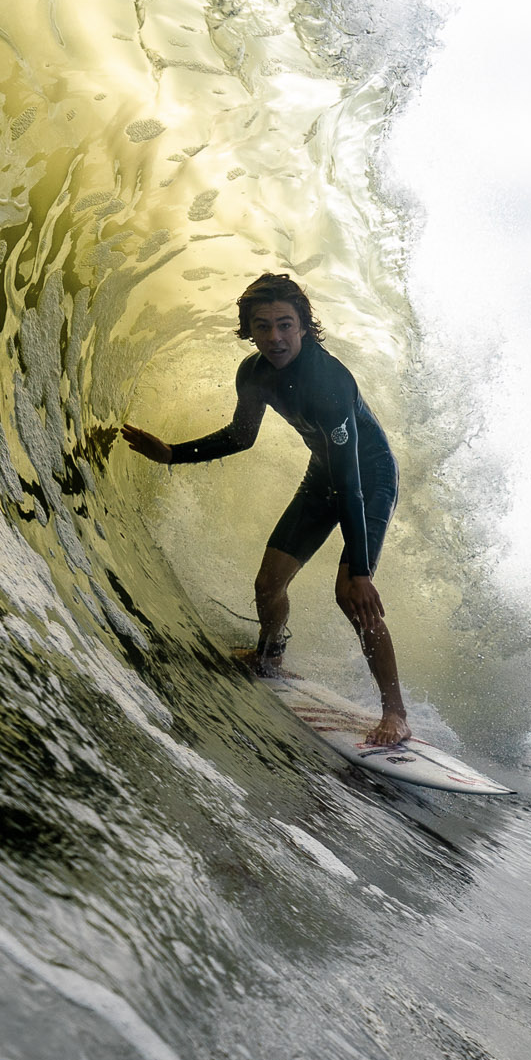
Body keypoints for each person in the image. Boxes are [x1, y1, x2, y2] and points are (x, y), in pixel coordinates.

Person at [119, 273, 410, 746]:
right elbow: (241, 437)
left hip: (368, 479)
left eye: (285, 325)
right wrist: (172, 453)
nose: (275, 337)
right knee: (268, 582)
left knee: (349, 594)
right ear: (249, 329)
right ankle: (270, 656)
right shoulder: (253, 374)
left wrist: (360, 572)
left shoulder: (329, 382)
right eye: (263, 326)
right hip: (325, 475)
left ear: (303, 327)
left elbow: (352, 486)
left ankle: (395, 713)